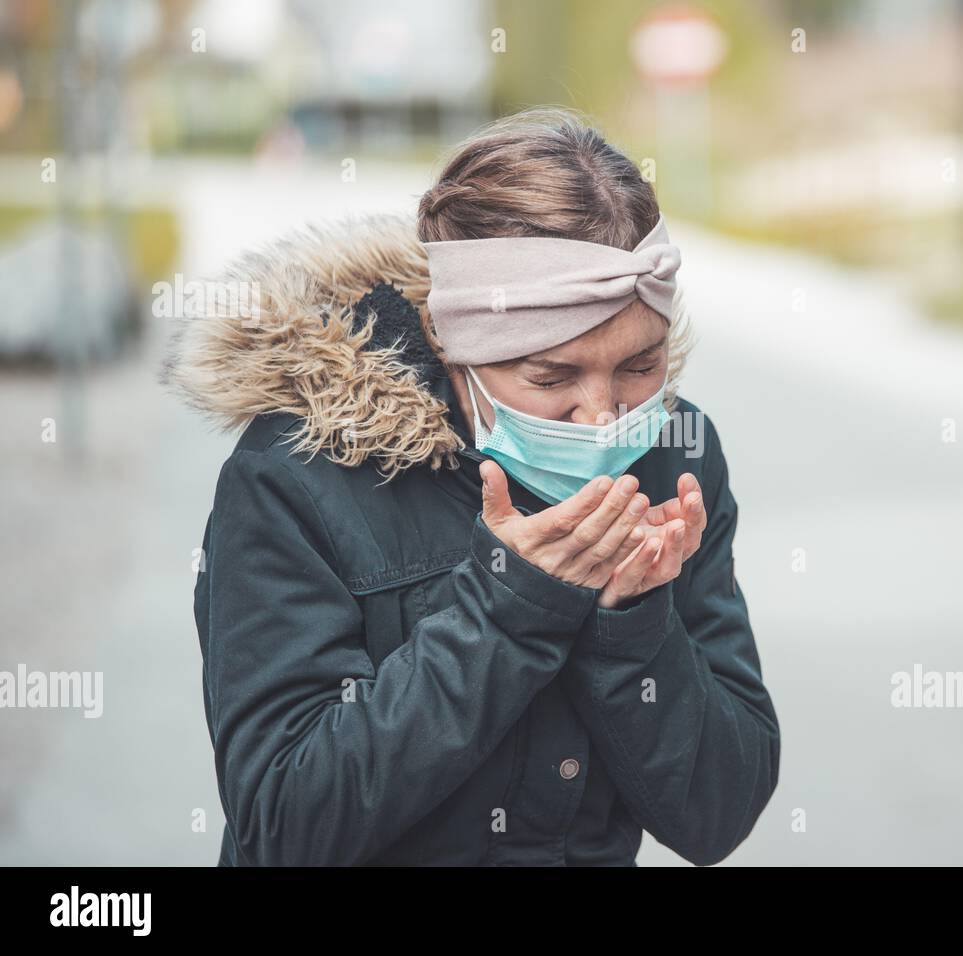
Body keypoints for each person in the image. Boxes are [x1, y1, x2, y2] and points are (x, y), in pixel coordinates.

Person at [160, 106, 780, 866]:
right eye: (551, 375)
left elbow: (720, 814)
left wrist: (636, 624)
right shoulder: (299, 472)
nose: (602, 417)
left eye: (639, 367)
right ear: (454, 344)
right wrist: (511, 610)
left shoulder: (674, 456)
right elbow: (287, 822)